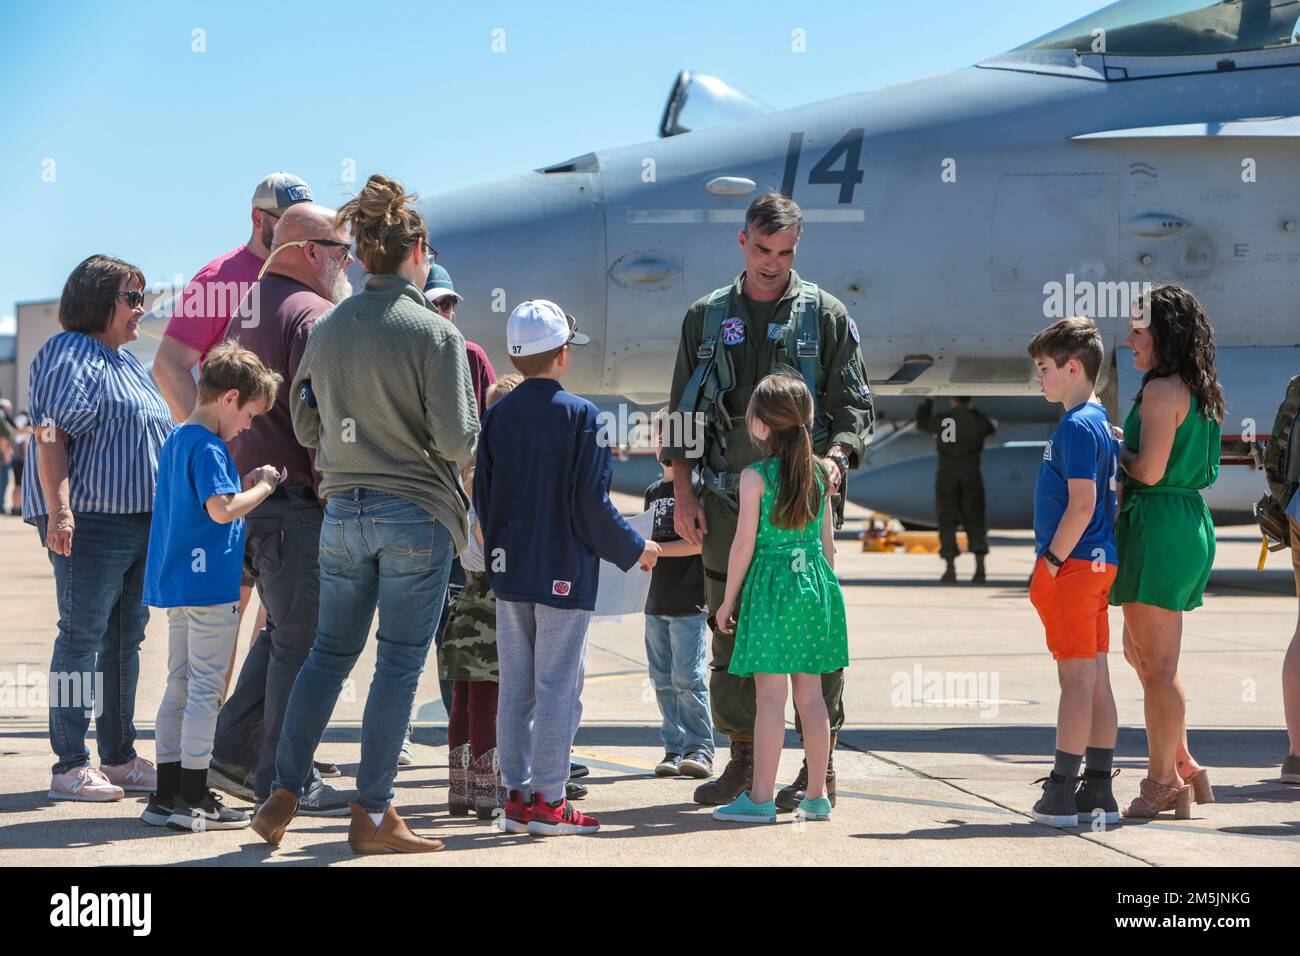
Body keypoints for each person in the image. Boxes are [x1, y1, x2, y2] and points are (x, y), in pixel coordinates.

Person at [250, 174, 479, 854]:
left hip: (343, 512)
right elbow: (456, 441)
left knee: (326, 656)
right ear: (419, 251)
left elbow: (305, 420)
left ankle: (282, 788)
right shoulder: (434, 334)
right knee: (399, 664)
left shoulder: (330, 325)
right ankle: (373, 812)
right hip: (415, 511)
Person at [663, 191, 874, 810]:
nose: (771, 263)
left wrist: (835, 462)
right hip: (726, 504)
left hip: (801, 502)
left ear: (797, 247)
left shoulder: (826, 316)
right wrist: (683, 490)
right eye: (761, 249)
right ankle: (745, 759)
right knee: (728, 632)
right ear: (742, 240)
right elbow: (681, 415)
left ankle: (819, 769)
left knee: (815, 639)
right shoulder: (705, 317)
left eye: (784, 252)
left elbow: (854, 404)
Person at [475, 299, 660, 837]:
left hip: (510, 573)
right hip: (562, 572)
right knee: (558, 685)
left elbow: (484, 498)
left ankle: (515, 797)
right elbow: (591, 504)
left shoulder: (497, 416)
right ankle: (552, 801)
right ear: (561, 355)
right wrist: (635, 549)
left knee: (516, 685)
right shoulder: (585, 417)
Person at [206, 203, 354, 815]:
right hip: (296, 502)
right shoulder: (314, 314)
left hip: (255, 501)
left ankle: (234, 758)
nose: (347, 264)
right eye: (341, 251)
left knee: (280, 636)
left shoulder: (250, 307)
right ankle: (281, 777)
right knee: (304, 639)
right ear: (310, 251)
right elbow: (321, 425)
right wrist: (337, 492)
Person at [26, 255, 174, 801]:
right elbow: (50, 435)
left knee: (123, 641)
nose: (141, 310)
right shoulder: (70, 353)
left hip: (139, 522)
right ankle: (69, 765)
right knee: (82, 636)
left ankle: (118, 757)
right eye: (132, 300)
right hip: (90, 520)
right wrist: (59, 508)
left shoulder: (127, 363)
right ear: (100, 303)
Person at [153, 172, 314, 658]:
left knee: (279, 627)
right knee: (224, 624)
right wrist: (216, 449)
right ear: (257, 219)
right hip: (237, 484)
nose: (295, 237)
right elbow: (170, 364)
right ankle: (216, 726)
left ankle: (252, 730)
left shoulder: (307, 279)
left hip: (288, 483)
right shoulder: (221, 279)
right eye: (285, 224)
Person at [140, 342, 282, 831]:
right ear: (230, 398)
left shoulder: (179, 438)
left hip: (178, 584)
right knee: (205, 692)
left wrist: (237, 486)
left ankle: (167, 794)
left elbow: (206, 504)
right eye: (249, 414)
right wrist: (262, 485)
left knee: (177, 686)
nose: (248, 426)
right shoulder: (210, 446)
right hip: (210, 588)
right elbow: (222, 509)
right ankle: (197, 796)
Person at [711, 372, 848, 823]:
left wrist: (728, 601)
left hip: (771, 588)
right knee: (811, 697)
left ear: (761, 425)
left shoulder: (755, 477)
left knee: (770, 695)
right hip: (814, 585)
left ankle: (761, 798)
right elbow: (827, 544)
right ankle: (816, 795)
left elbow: (743, 545)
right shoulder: (821, 473)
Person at [1111, 285, 1223, 818]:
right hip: (1181, 524)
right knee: (1143, 654)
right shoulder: (1197, 387)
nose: (1129, 339)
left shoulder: (1160, 391)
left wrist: (1114, 445)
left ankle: (1161, 783)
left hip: (1157, 524)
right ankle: (1182, 763)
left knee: (1155, 663)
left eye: (1138, 329)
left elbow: (1148, 470)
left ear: (1163, 334)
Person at [1024, 318, 1123, 828]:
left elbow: (1081, 504)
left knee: (1075, 679)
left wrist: (1052, 564)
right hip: (1099, 563)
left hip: (1076, 566)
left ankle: (1061, 792)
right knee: (1097, 677)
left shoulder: (1077, 425)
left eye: (1044, 369)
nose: (1038, 378)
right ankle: (1098, 789)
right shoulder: (1101, 422)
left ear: (1072, 366)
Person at [398, 263, 497, 759]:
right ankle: (398, 734)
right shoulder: (399, 354)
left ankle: (469, 751)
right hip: (414, 511)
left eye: (450, 303)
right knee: (411, 630)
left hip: (463, 521)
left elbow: (487, 434)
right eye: (436, 303)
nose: (445, 311)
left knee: (460, 637)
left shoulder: (471, 356)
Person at [440, 373, 520, 818]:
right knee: (488, 697)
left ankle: (462, 789)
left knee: (465, 697)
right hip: (495, 598)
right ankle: (490, 792)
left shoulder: (474, 466)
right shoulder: (504, 472)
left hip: (466, 596)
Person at [643, 407, 714, 780]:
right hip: (654, 603)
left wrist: (653, 549)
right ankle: (672, 747)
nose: (661, 444)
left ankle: (700, 747)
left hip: (688, 602)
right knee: (663, 679)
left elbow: (698, 544)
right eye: (659, 436)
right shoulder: (653, 492)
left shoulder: (698, 489)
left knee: (688, 677)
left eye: (668, 437)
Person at [915, 396, 996, 583]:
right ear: (969, 401)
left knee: (947, 519)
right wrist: (971, 411)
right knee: (974, 519)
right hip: (970, 473)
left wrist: (928, 402)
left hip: (947, 473)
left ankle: (950, 569)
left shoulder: (943, 419)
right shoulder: (977, 420)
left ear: (953, 400)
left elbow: (922, 423)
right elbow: (989, 428)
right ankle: (980, 569)